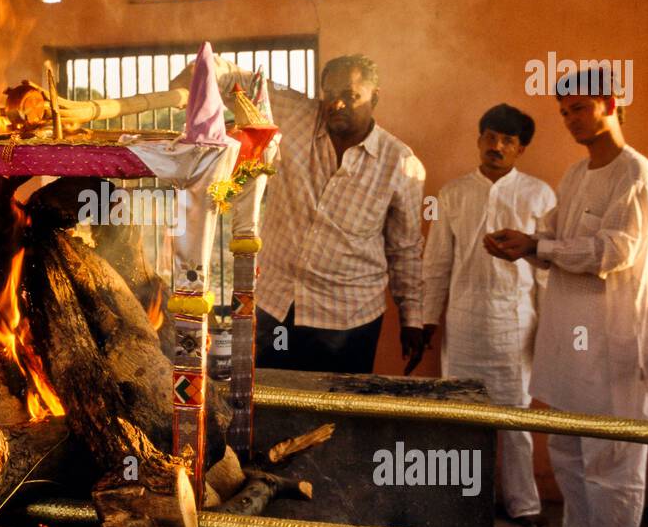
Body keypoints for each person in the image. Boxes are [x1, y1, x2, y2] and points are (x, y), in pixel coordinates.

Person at [57, 51, 427, 375]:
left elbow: (405, 248)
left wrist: (412, 318)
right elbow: (232, 77)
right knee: (260, 403)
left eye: (351, 96)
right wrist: (195, 80)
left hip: (347, 316)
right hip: (274, 302)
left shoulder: (400, 163)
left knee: (336, 412)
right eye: (330, 95)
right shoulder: (297, 114)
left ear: (375, 97)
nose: (337, 105)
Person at [484, 69, 648, 527]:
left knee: (612, 467)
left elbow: (614, 252)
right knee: (568, 455)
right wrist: (526, 241)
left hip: (616, 346)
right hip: (569, 346)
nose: (570, 119)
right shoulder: (574, 174)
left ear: (611, 103)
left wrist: (537, 248)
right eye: (564, 111)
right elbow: (556, 237)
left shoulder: (637, 174)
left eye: (580, 108)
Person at [422, 103, 555, 527]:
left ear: (521, 149)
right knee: (462, 417)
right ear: (479, 140)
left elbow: (549, 270)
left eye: (508, 141)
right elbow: (437, 262)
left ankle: (523, 504)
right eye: (490, 137)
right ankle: (463, 500)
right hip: (463, 323)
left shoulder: (539, 195)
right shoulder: (453, 193)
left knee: (516, 417)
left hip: (515, 324)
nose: (496, 146)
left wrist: (553, 327)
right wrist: (427, 320)